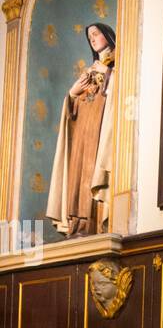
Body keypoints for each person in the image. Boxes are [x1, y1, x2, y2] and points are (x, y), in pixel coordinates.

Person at [46, 23, 116, 237]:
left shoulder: (117, 63)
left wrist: (109, 74)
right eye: (89, 37)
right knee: (78, 173)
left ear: (107, 35)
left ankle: (93, 222)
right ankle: (78, 224)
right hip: (83, 133)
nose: (93, 39)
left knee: (94, 172)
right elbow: (75, 108)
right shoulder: (90, 69)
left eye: (96, 34)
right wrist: (72, 94)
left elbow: (121, 93)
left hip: (100, 130)